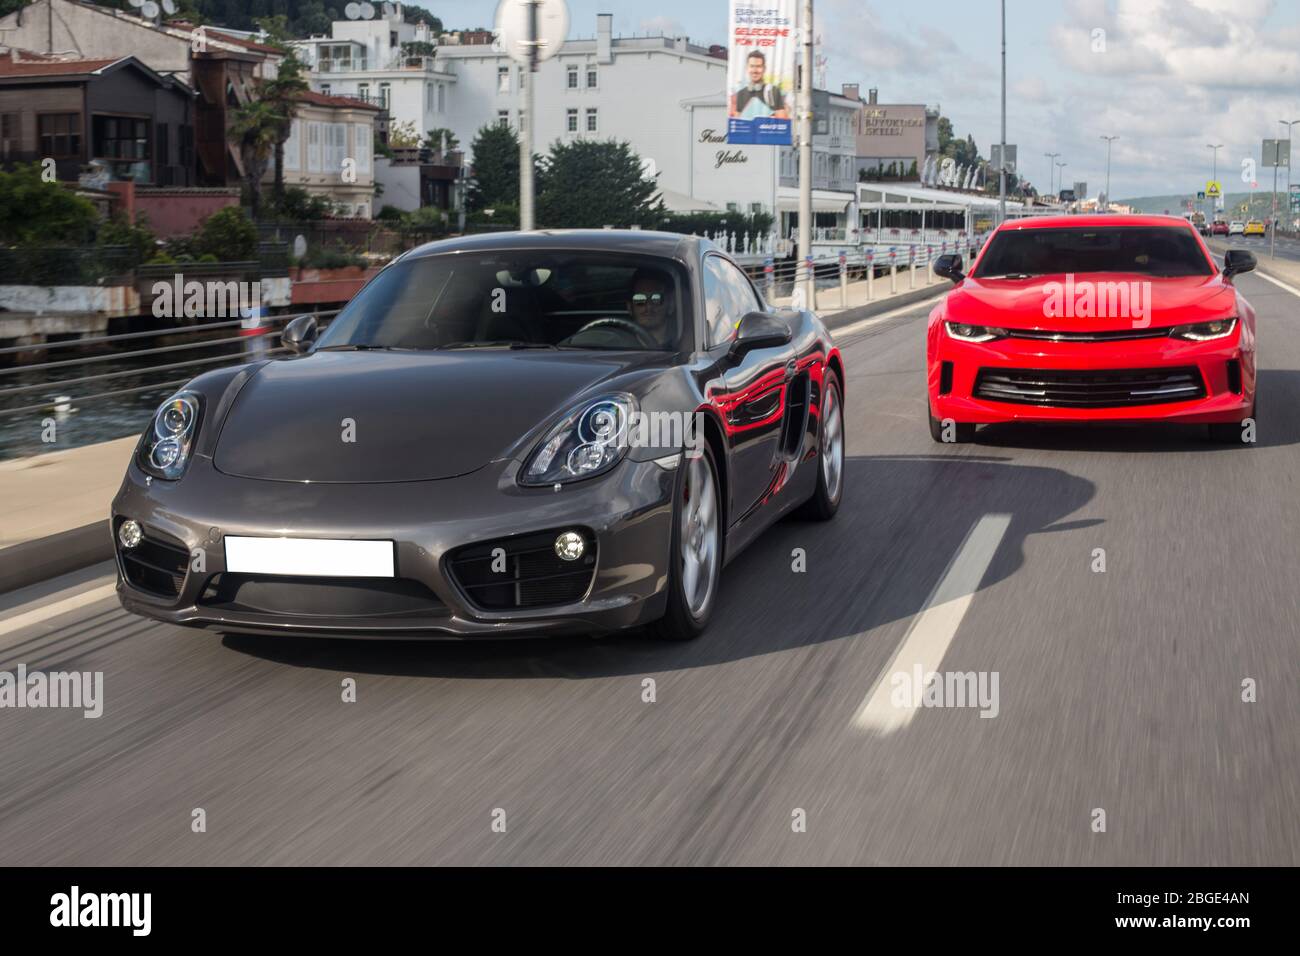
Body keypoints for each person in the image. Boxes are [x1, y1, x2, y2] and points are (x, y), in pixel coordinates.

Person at [730, 50, 789, 120]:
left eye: (758, 66)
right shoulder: (741, 94)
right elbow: (736, 122)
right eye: (752, 66)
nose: (755, 70)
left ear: (764, 68)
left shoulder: (773, 91)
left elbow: (782, 121)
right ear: (747, 68)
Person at [629, 271, 675, 345]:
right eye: (639, 299)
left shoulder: (684, 345)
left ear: (670, 305)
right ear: (629, 307)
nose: (648, 306)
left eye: (656, 298)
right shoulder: (617, 346)